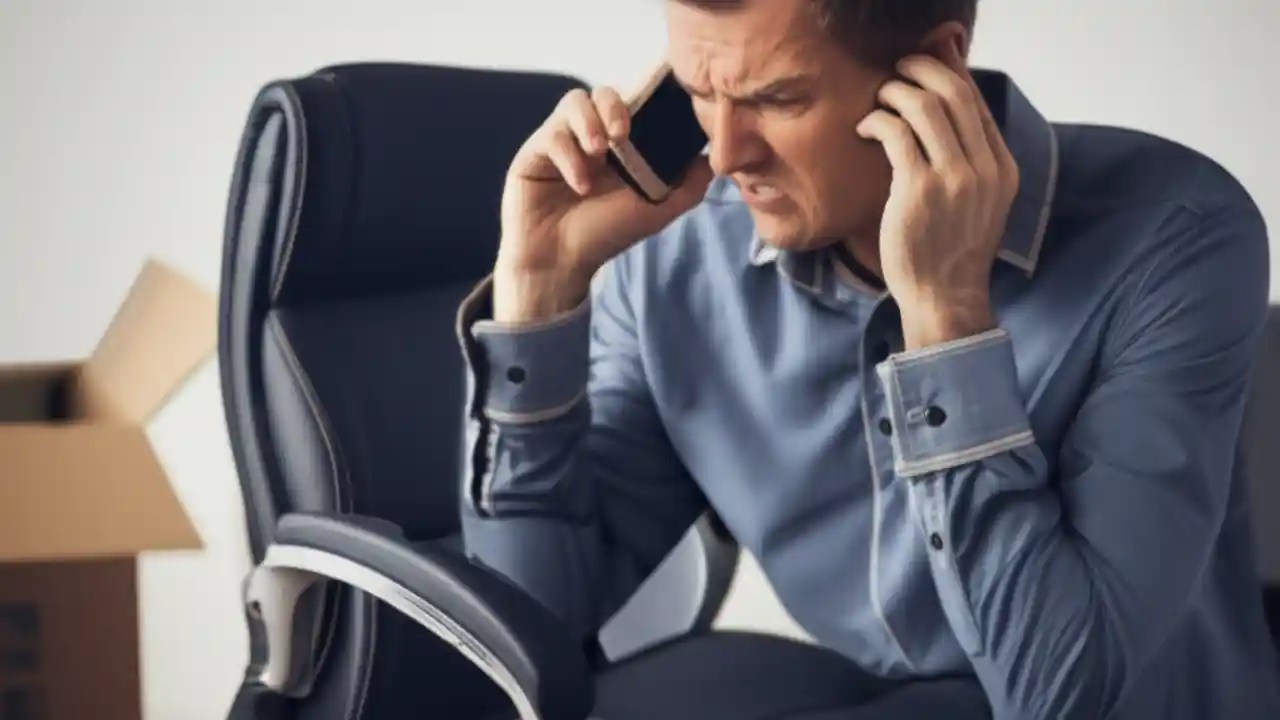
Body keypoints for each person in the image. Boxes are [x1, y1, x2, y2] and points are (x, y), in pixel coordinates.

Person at [454, 0, 1280, 717]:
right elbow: (533, 636)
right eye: (699, 92)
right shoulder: (677, 255)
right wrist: (540, 288)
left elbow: (1057, 693)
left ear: (935, 70)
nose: (728, 154)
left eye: (776, 98)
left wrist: (947, 318)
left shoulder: (1173, 237)